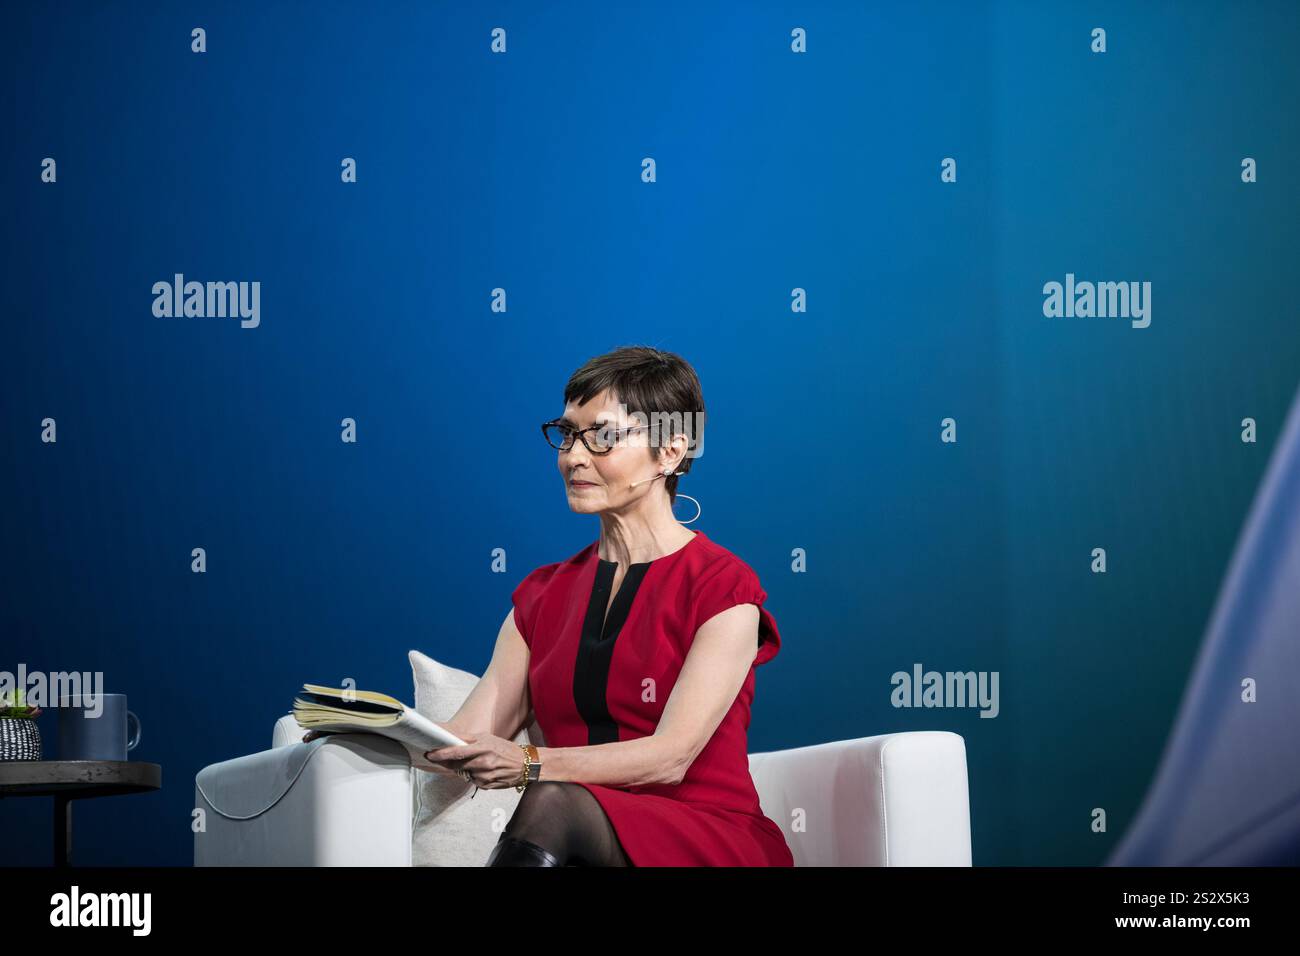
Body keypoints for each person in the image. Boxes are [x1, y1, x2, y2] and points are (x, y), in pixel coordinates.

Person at [316, 346, 792, 866]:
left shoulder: (724, 585)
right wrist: (367, 730)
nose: (574, 456)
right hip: (579, 837)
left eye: (603, 436)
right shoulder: (542, 595)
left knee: (550, 800)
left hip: (706, 837)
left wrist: (528, 763)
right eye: (567, 434)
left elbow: (670, 758)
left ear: (671, 453)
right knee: (554, 804)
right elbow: (463, 740)